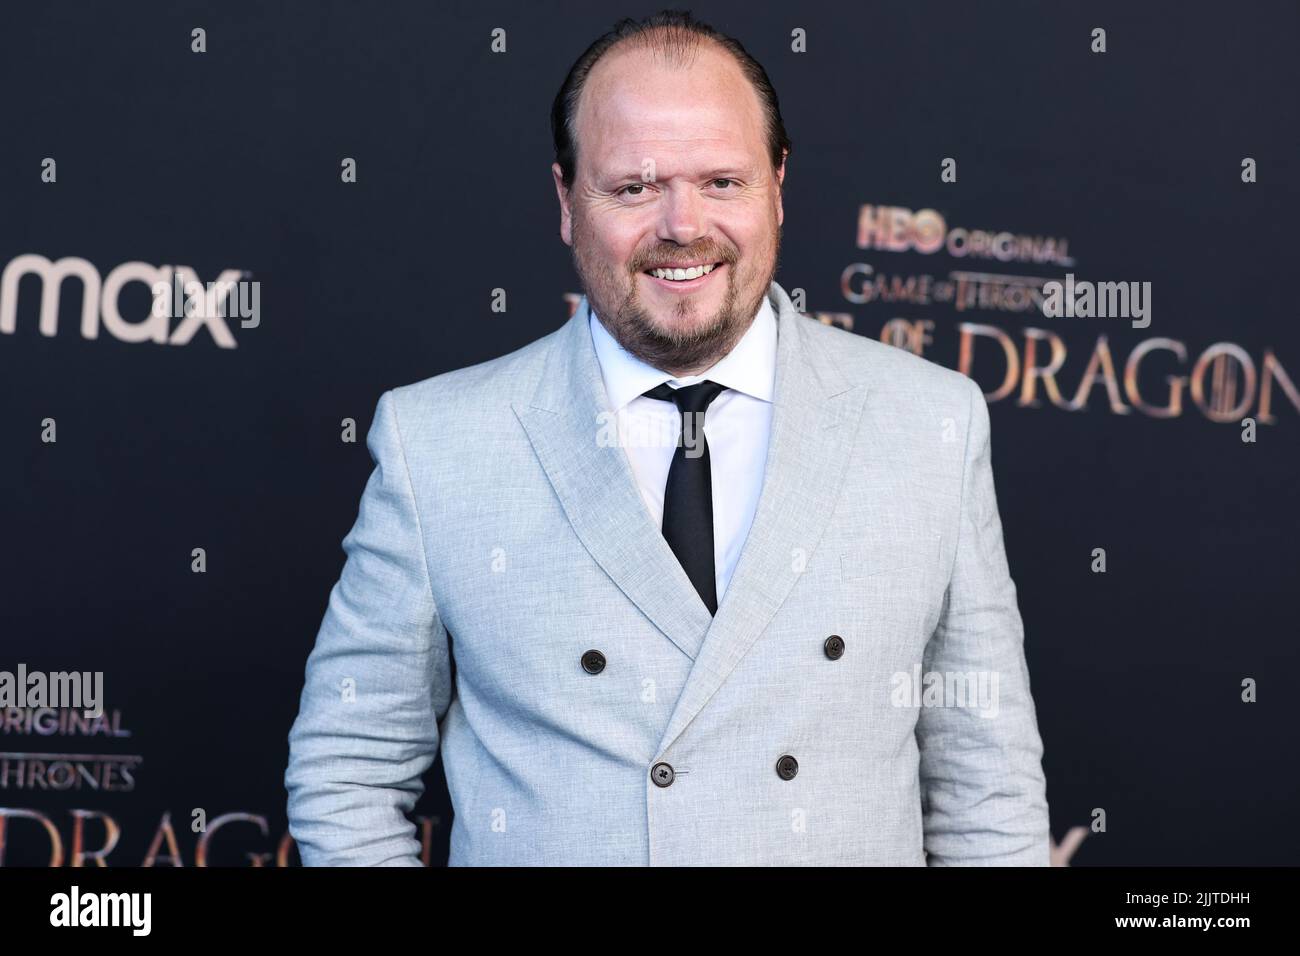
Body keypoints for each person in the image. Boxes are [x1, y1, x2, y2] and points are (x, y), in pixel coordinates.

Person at [285, 9, 1050, 866]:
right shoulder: (441, 444)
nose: (683, 226)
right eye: (634, 188)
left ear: (778, 186)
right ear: (567, 202)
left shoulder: (928, 424)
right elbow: (347, 766)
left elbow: (988, 786)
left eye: (722, 181)